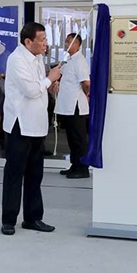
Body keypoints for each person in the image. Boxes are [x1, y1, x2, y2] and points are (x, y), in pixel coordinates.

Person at [0, 22, 61, 235]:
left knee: (36, 175)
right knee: (15, 174)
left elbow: (41, 87)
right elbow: (31, 90)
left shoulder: (38, 59)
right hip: (20, 124)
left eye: (45, 39)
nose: (45, 44)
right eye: (41, 40)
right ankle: (9, 219)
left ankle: (33, 217)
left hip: (37, 124)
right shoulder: (16, 59)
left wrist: (51, 84)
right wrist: (49, 79)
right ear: (28, 42)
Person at [55, 33, 91, 179]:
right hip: (67, 106)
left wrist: (87, 95)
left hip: (76, 106)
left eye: (69, 42)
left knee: (79, 139)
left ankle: (82, 168)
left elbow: (86, 83)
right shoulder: (69, 60)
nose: (66, 44)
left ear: (77, 44)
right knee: (71, 138)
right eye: (66, 41)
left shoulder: (80, 61)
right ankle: (74, 165)